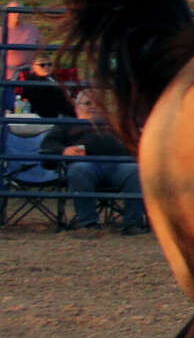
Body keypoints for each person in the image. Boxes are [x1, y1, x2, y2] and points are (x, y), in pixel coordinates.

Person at [41, 88, 147, 234]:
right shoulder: (66, 125)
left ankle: (133, 223)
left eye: (98, 103)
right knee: (79, 169)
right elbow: (48, 146)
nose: (93, 106)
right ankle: (88, 223)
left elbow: (137, 143)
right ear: (77, 107)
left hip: (119, 165)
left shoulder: (116, 125)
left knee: (135, 171)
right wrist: (64, 151)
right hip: (86, 166)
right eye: (87, 103)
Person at [3, 2, 43, 112]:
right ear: (7, 14)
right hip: (8, 76)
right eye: (14, 12)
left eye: (20, 11)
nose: (17, 14)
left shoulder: (32, 29)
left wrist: (36, 64)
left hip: (30, 74)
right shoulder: (1, 31)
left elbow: (41, 50)